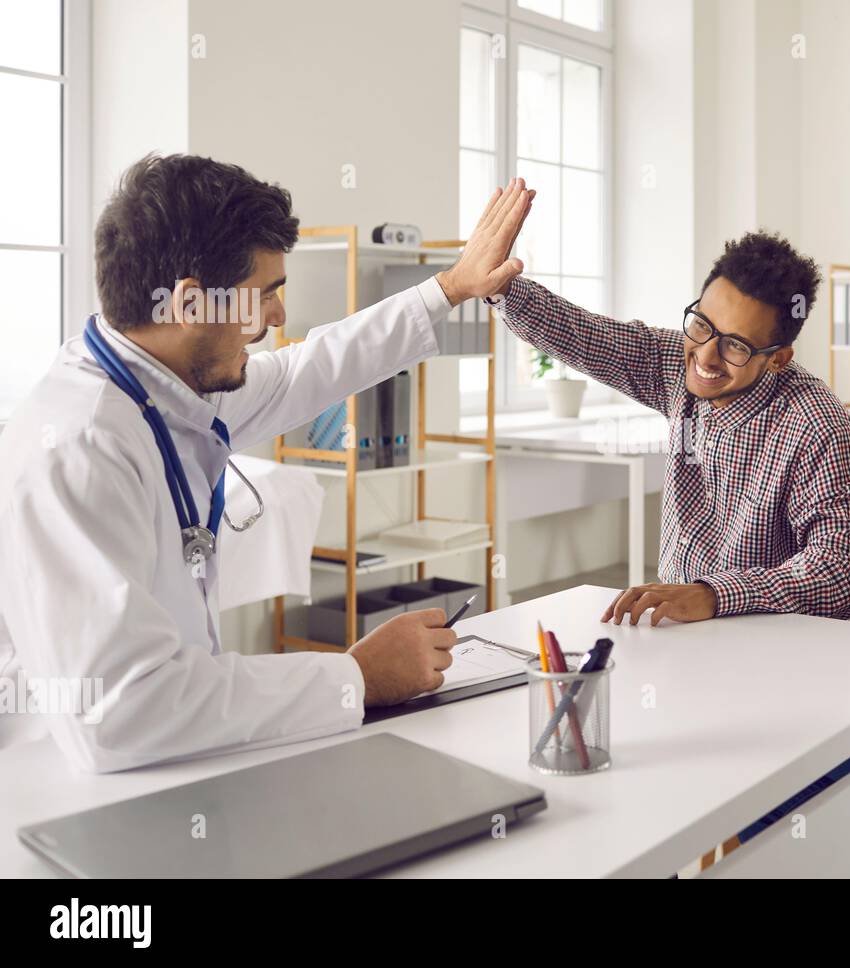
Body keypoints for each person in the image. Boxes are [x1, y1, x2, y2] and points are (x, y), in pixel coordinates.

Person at [0, 155, 534, 772]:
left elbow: (309, 369)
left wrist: (451, 288)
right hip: (66, 787)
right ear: (190, 303)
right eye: (265, 295)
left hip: (165, 765)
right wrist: (355, 676)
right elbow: (121, 709)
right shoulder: (80, 447)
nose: (278, 317)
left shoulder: (166, 388)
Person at [494, 230, 850, 625]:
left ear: (777, 359)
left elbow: (842, 571)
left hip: (771, 635)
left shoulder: (817, 425)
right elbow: (586, 336)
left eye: (736, 345)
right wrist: (502, 288)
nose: (706, 356)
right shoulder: (678, 364)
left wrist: (714, 594)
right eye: (702, 325)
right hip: (678, 624)